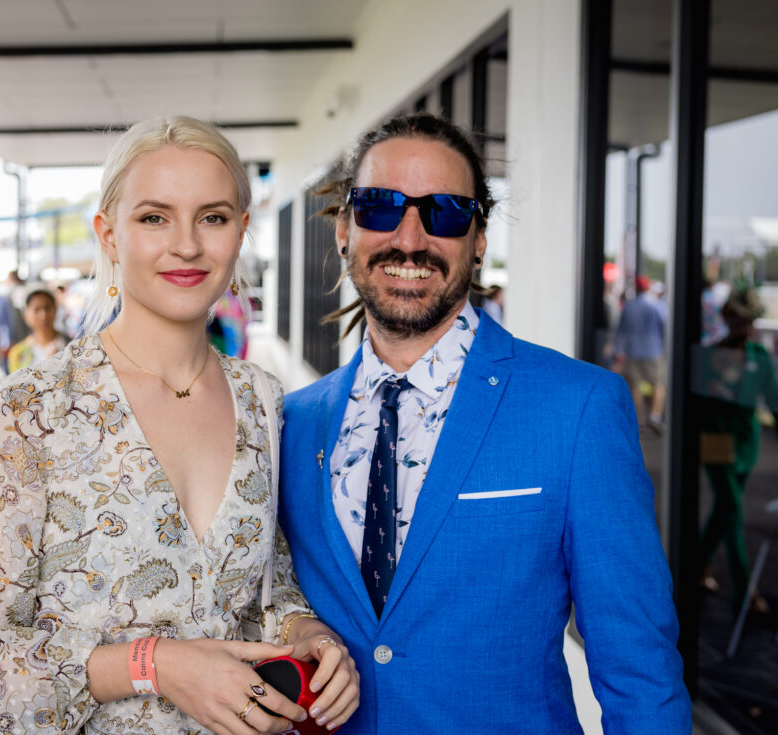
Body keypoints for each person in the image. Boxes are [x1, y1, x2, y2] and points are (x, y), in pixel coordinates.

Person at [0, 116, 359, 735]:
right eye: (154, 217)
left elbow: (265, 587)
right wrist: (151, 664)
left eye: (212, 217)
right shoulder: (32, 411)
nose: (186, 245)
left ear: (240, 230)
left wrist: (305, 632)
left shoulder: (261, 398)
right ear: (108, 235)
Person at [278, 112, 690, 733]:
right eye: (381, 206)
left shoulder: (578, 407)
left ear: (478, 238)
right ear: (345, 229)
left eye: (444, 211)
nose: (411, 239)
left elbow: (638, 665)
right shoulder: (293, 421)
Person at [696, 286, 778, 615]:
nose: (741, 326)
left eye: (746, 320)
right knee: (732, 512)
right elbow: (701, 400)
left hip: (747, 442)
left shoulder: (760, 357)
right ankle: (745, 590)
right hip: (716, 442)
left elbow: (773, 401)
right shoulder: (711, 356)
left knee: (724, 512)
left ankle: (697, 566)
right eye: (735, 319)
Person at [614, 275, 667, 433]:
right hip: (653, 350)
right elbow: (665, 328)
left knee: (635, 386)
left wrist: (618, 350)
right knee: (658, 383)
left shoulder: (629, 307)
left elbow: (620, 331)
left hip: (633, 351)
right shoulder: (656, 305)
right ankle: (655, 416)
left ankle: (640, 421)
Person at [6, 285, 68, 372]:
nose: (43, 315)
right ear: (26, 316)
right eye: (37, 310)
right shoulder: (18, 353)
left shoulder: (71, 344)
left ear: (56, 309)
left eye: (47, 307)